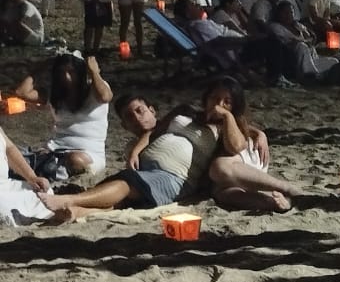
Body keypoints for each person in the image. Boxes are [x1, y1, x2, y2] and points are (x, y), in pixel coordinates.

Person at [37, 81, 293, 220]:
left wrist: (230, 119)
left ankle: (69, 200)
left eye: (227, 101)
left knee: (127, 185)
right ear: (205, 98)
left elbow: (237, 145)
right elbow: (154, 132)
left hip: (176, 176)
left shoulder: (229, 127)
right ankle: (81, 210)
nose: (219, 104)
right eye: (215, 98)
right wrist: (136, 151)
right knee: (125, 194)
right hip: (150, 168)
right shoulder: (185, 112)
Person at [18, 53, 113, 177]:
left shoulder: (95, 89)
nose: (67, 77)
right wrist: (40, 69)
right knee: (14, 154)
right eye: (62, 72)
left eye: (72, 72)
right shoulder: (56, 94)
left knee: (76, 160)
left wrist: (94, 72)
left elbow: (105, 97)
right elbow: (22, 92)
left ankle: (50, 170)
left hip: (87, 153)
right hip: (55, 149)